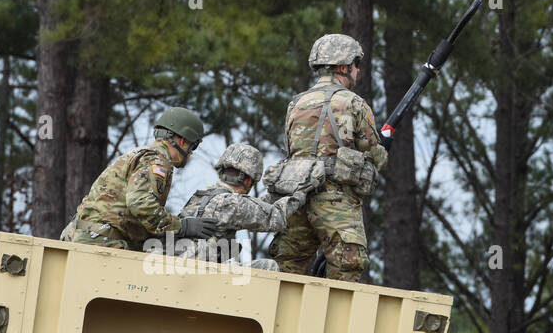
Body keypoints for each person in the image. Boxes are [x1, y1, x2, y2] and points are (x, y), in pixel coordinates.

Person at [269, 33, 387, 282]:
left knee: (287, 267)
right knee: (347, 265)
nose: (358, 71)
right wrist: (382, 148)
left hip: (297, 198)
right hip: (335, 200)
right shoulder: (354, 103)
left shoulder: (296, 104)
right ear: (344, 66)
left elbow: (292, 149)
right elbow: (374, 156)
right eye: (357, 65)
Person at [64, 105, 219, 251]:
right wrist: (183, 226)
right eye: (193, 146)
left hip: (88, 236)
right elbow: (141, 204)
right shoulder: (157, 160)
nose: (191, 152)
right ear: (183, 141)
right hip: (102, 243)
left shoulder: (143, 154)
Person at [172, 143, 308, 270]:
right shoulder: (233, 203)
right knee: (268, 266)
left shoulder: (202, 196)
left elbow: (252, 207)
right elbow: (275, 217)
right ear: (248, 180)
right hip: (202, 274)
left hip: (180, 265)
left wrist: (274, 196)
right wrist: (301, 193)